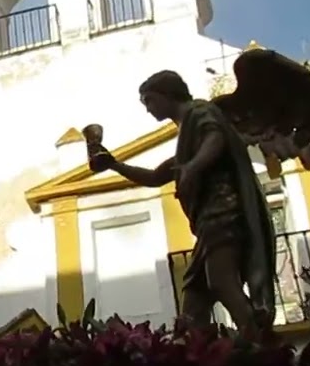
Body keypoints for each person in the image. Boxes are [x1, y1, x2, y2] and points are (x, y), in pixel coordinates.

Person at [90, 70, 275, 340]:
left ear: (167, 95)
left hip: (222, 211)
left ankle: (258, 343)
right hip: (206, 224)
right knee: (195, 292)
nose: (148, 109)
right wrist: (114, 164)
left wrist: (194, 167)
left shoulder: (200, 112)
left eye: (150, 101)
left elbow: (216, 138)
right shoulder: (187, 139)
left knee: (222, 283)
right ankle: (192, 349)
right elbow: (154, 177)